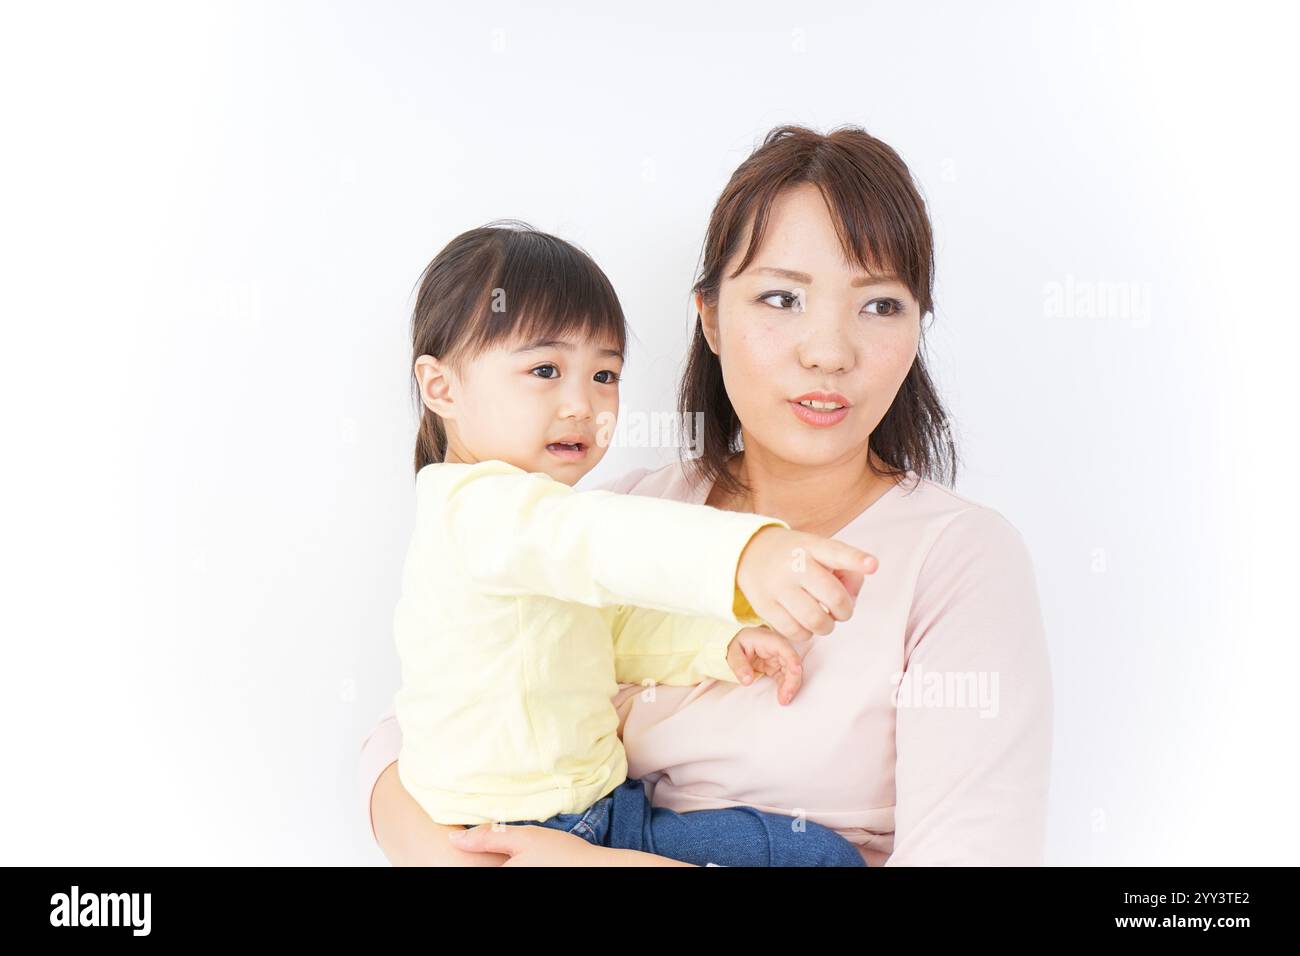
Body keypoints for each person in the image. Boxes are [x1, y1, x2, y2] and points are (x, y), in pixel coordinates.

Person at [361, 125, 1053, 866]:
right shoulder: (624, 511)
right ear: (711, 318)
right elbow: (422, 722)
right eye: (782, 297)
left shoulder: (955, 559)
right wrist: (438, 846)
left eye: (880, 305)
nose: (829, 350)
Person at [389, 221, 874, 866]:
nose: (582, 405)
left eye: (605, 375)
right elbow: (605, 541)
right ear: (441, 387)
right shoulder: (477, 511)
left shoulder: (538, 527)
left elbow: (611, 630)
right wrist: (745, 555)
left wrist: (718, 644)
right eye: (544, 369)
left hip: (608, 814)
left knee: (817, 856)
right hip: (516, 830)